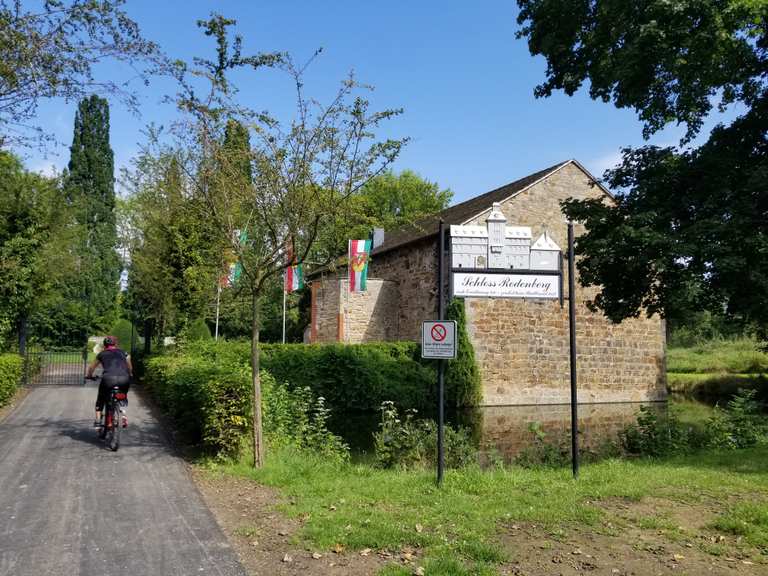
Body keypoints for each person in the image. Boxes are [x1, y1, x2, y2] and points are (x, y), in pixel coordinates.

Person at [86, 336, 133, 428]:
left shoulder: (101, 354)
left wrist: (89, 376)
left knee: (101, 399)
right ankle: (123, 414)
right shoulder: (124, 353)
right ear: (116, 344)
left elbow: (91, 367)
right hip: (124, 378)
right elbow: (129, 366)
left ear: (104, 345)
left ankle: (98, 421)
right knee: (123, 396)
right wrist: (130, 374)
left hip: (108, 379)